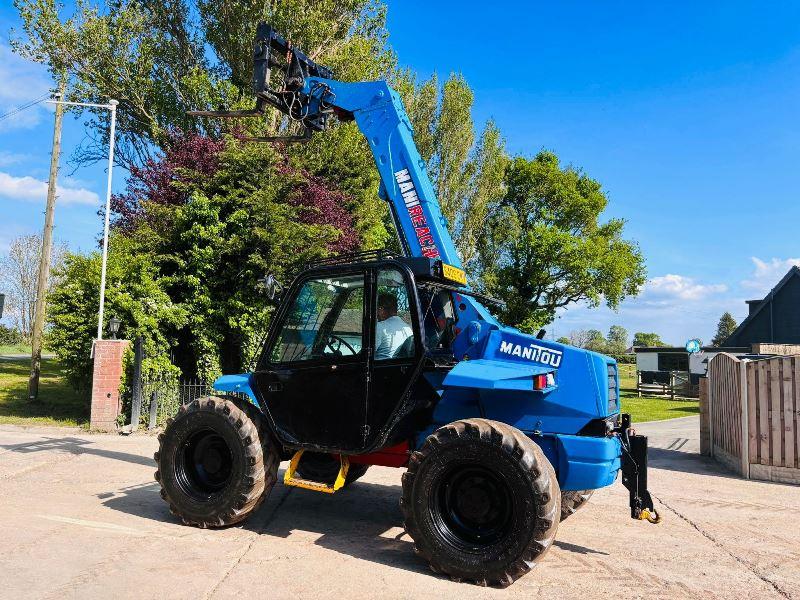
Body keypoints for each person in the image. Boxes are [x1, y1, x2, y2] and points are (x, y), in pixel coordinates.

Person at [375, 291, 412, 360]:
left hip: (379, 368)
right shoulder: (407, 328)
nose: (376, 314)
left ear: (381, 310)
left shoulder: (380, 327)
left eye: (376, 309)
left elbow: (365, 355)